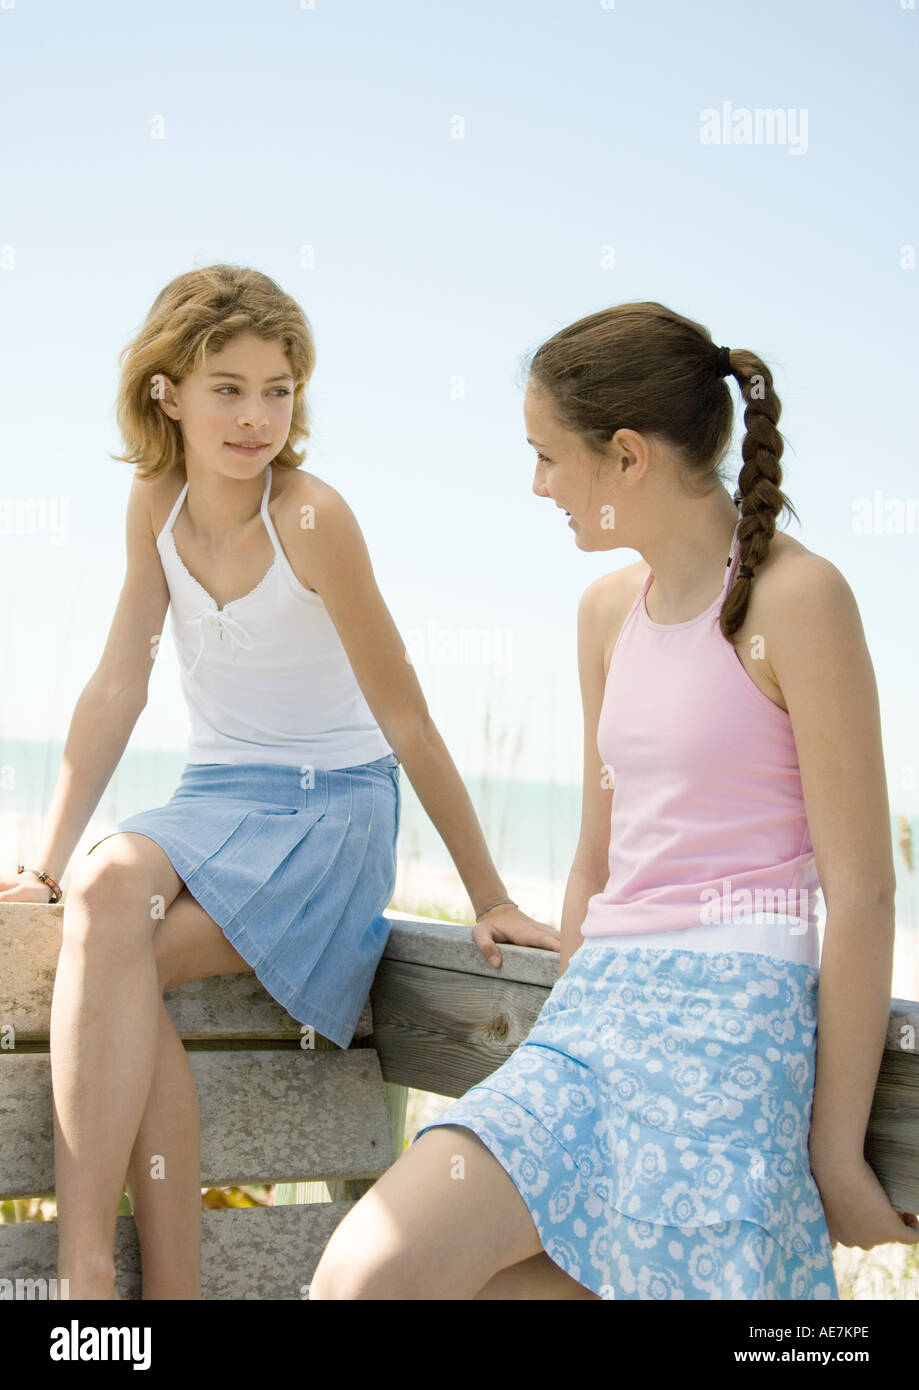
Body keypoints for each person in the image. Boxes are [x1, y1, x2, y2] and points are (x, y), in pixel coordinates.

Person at [309, 301, 919, 1301]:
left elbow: (861, 897)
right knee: (369, 1274)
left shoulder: (800, 601)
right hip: (591, 1028)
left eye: (547, 455)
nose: (537, 483)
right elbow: (596, 864)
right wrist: (569, 1029)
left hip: (732, 1035)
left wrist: (835, 1152)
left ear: (626, 455)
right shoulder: (603, 616)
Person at [0, 263, 559, 1301]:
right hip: (214, 799)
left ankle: (127, 1294)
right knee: (101, 892)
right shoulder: (153, 502)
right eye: (228, 386)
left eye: (279, 387)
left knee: (115, 956)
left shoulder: (313, 518)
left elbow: (407, 720)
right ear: (167, 389)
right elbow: (121, 679)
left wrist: (488, 893)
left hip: (332, 811)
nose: (258, 415)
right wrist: (41, 860)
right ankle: (101, 1274)